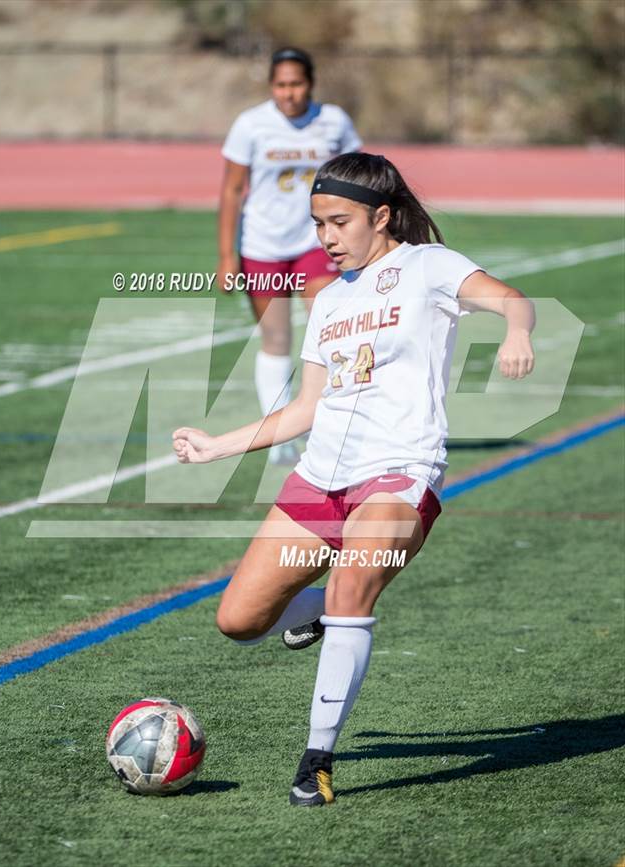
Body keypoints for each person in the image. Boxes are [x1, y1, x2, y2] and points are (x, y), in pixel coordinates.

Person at [175, 153, 535, 806]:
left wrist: (516, 332)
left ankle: (316, 757)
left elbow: (512, 299)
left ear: (382, 216)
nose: (326, 238)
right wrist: (217, 445)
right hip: (321, 479)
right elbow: (307, 407)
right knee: (238, 618)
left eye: (339, 222)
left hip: (398, 475)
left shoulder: (428, 267)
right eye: (318, 224)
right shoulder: (331, 301)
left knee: (350, 587)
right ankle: (310, 614)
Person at [217, 47, 362, 463]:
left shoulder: (333, 121)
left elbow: (356, 174)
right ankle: (277, 433)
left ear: (310, 84)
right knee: (276, 336)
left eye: (296, 84)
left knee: (333, 329)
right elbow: (231, 190)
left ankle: (336, 423)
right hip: (262, 246)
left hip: (316, 244)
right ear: (271, 86)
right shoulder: (250, 125)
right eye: (281, 85)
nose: (289, 93)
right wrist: (227, 255)